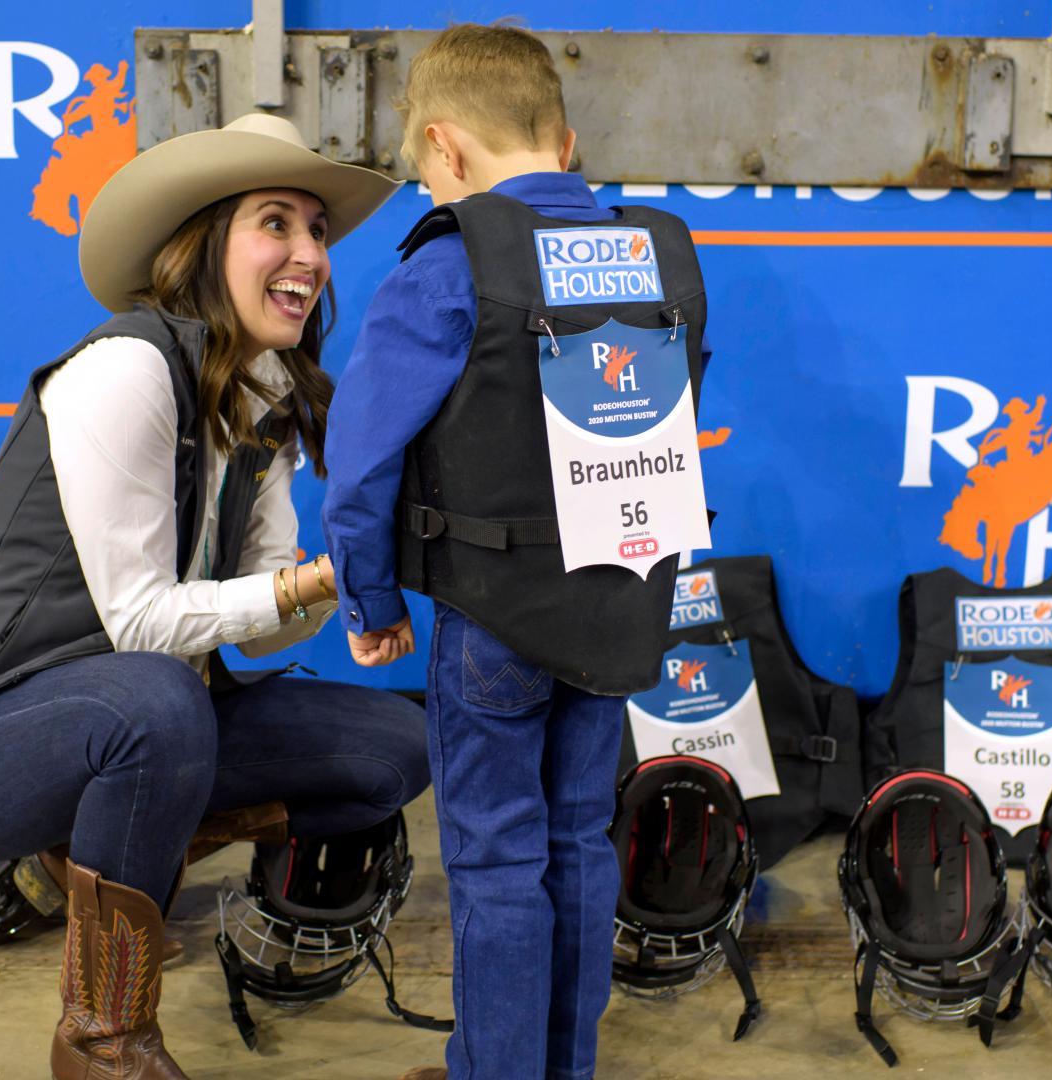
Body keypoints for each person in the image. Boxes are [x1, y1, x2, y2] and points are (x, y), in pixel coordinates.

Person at [0, 112, 425, 1080]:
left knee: (393, 748)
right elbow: (140, 624)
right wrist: (306, 582)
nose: (310, 256)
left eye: (317, 230)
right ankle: (105, 1041)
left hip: (140, 715)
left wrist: (345, 577)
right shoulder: (127, 368)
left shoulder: (265, 395)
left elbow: (258, 636)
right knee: (160, 699)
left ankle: (97, 848)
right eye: (276, 223)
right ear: (204, 242)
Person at [323, 24, 712, 1080]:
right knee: (577, 839)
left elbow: (361, 462)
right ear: (567, 143)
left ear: (444, 147)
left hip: (493, 614)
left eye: (423, 173)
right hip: (618, 606)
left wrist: (368, 600)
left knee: (497, 856)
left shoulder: (449, 263)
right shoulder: (657, 256)